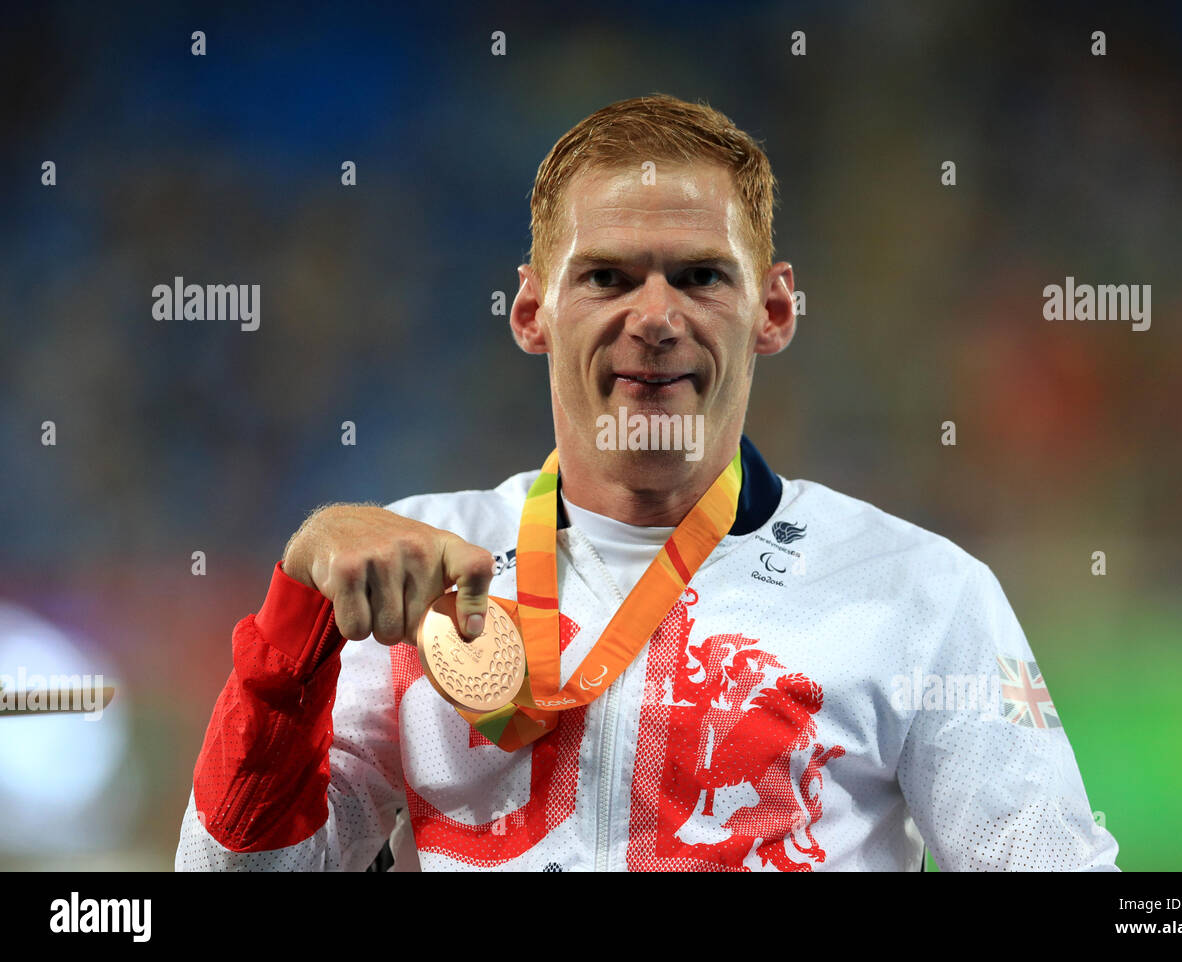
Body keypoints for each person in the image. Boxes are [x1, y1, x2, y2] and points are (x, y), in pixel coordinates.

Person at [175, 94, 1120, 871]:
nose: (656, 316)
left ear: (775, 309)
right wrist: (299, 616)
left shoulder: (921, 592)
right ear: (533, 311)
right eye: (608, 278)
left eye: (702, 275)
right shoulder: (411, 568)